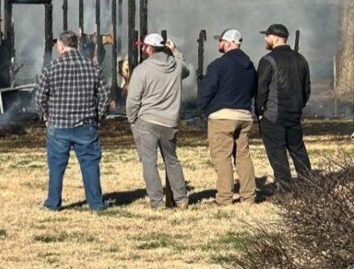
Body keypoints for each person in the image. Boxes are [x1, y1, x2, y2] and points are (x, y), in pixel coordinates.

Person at [35, 31, 110, 212]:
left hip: (58, 126)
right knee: (90, 165)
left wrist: (46, 116)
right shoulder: (93, 68)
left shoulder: (51, 68)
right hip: (86, 125)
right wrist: (97, 116)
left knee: (56, 167)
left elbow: (39, 98)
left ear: (61, 46)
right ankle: (96, 204)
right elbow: (105, 96)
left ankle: (53, 203)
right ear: (77, 45)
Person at [126, 33, 192, 209]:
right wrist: (175, 50)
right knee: (172, 161)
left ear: (150, 48)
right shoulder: (177, 66)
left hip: (146, 121)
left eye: (143, 45)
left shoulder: (142, 69)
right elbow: (186, 68)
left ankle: (157, 202)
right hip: (170, 122)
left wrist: (132, 120)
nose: (141, 48)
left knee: (149, 162)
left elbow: (133, 100)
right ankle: (181, 199)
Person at [198, 29, 259, 205]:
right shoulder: (250, 66)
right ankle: (249, 196)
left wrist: (205, 108)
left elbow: (207, 91)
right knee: (243, 156)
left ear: (230, 42)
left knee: (222, 157)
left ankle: (224, 198)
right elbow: (253, 89)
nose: (219, 44)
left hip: (222, 117)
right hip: (245, 115)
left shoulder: (218, 65)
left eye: (221, 41)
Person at [255, 23, 312, 193]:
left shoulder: (268, 60)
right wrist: (298, 106)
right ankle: (309, 185)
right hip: (294, 114)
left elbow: (261, 88)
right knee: (298, 150)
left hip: (273, 115)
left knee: (277, 152)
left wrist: (259, 111)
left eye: (268, 35)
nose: (265, 38)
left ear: (277, 37)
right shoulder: (301, 59)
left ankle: (284, 188)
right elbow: (306, 88)